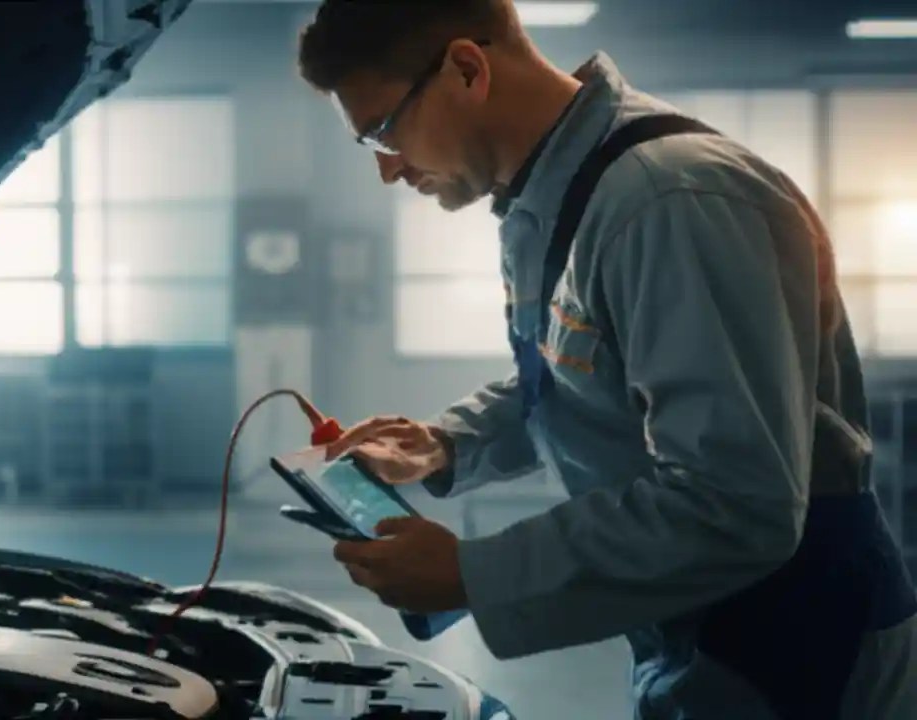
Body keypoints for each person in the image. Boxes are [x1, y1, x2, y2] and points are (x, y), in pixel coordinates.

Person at [295, 1, 917, 718]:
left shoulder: (667, 200)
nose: (388, 169)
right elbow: (583, 374)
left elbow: (735, 503)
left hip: (800, 643)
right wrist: (445, 444)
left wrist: (477, 572)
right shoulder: (563, 196)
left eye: (383, 130)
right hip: (702, 626)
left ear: (467, 68)